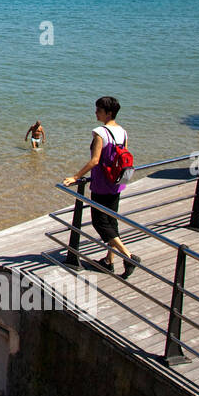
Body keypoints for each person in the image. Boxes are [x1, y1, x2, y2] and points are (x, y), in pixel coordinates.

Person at [63, 96, 138, 278]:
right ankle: (109, 261)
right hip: (117, 183)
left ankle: (128, 256)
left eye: (98, 110)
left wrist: (75, 176)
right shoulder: (123, 132)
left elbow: (95, 161)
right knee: (111, 222)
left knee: (99, 221)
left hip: (102, 183)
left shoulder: (99, 132)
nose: (95, 112)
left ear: (108, 113)